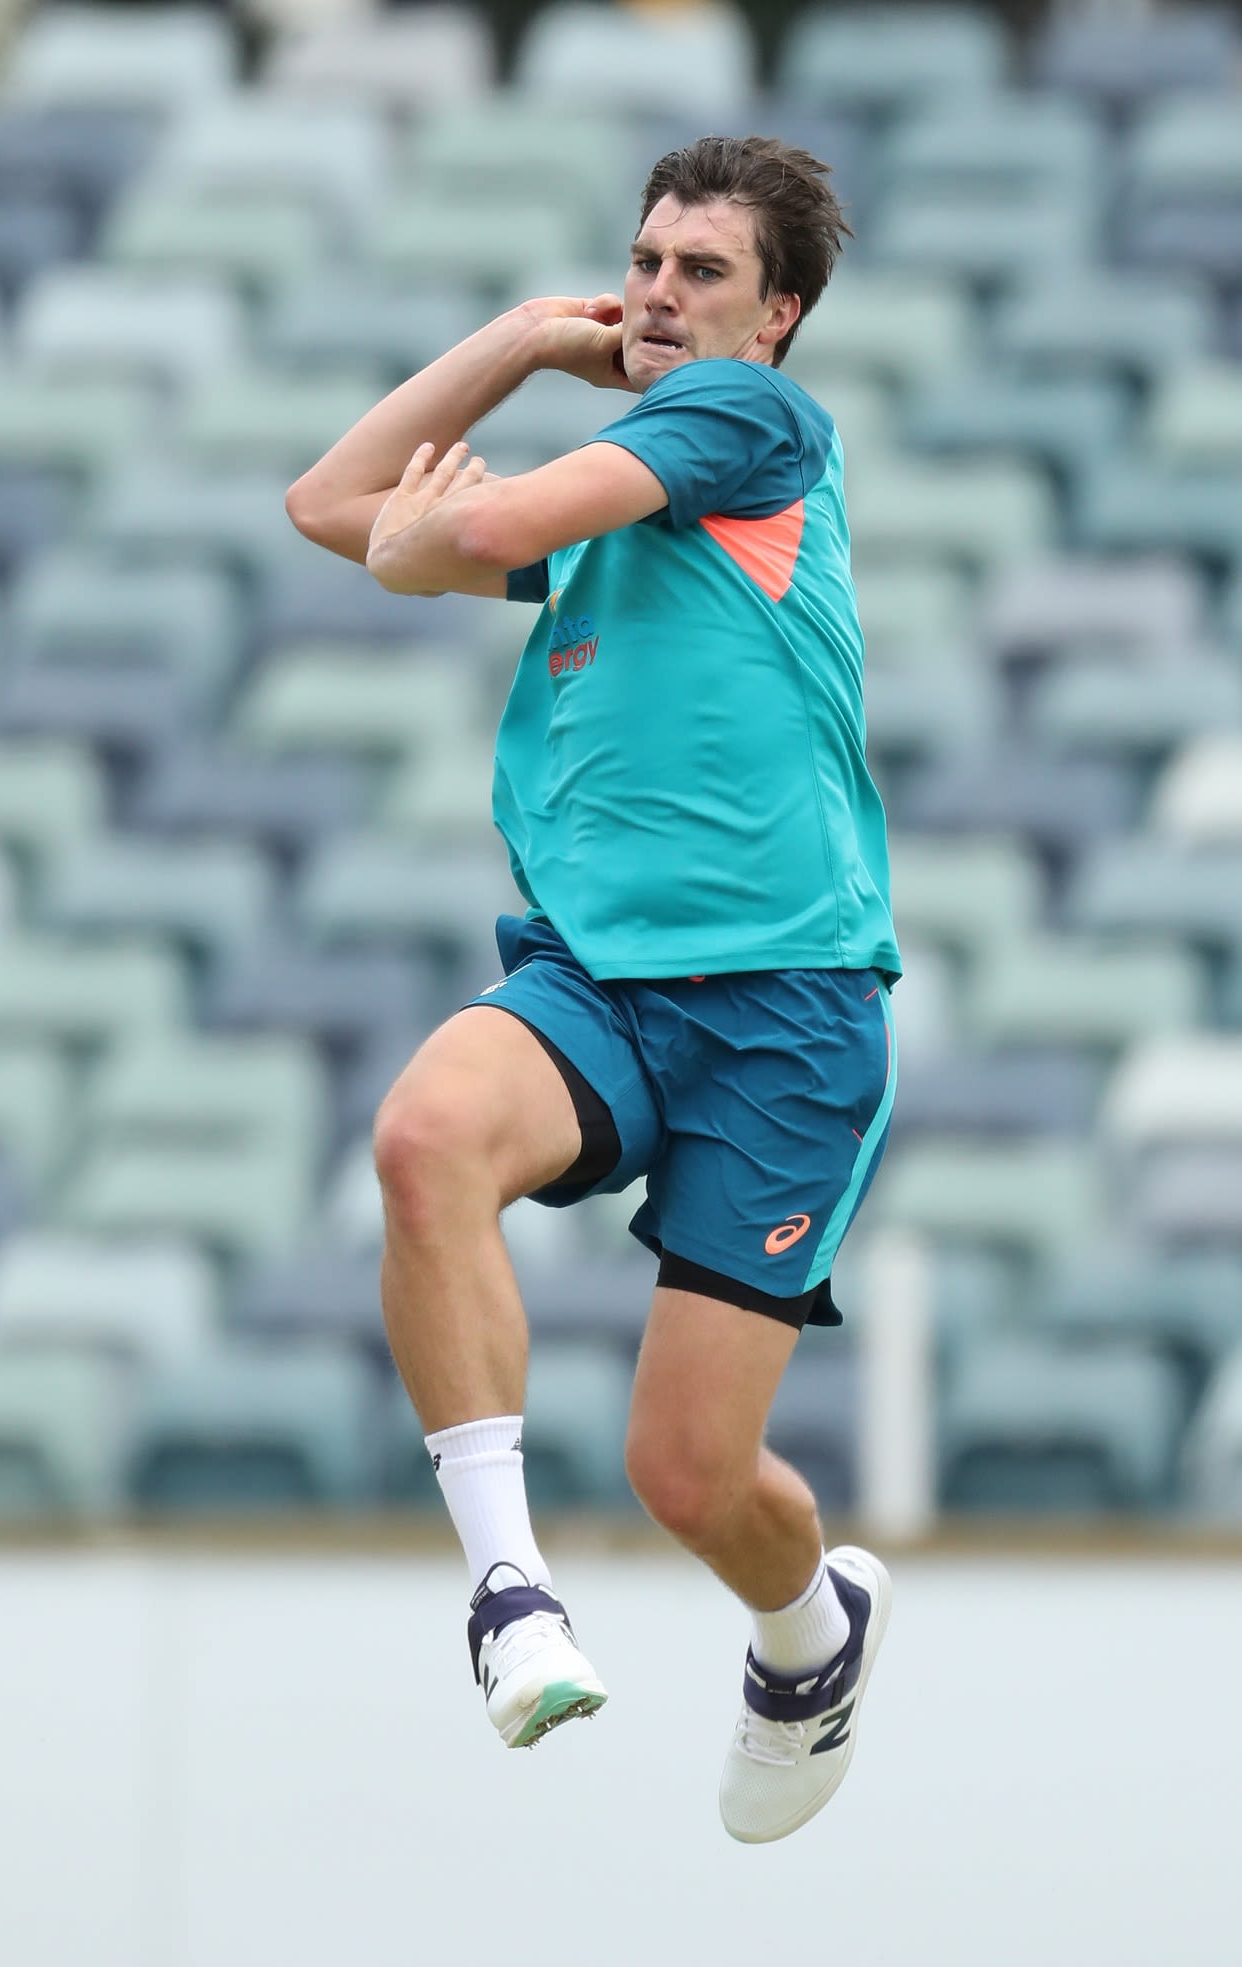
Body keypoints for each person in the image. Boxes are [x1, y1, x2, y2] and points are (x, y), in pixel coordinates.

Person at [286, 135, 901, 1845]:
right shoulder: (618, 514)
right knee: (423, 1138)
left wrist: (442, 535)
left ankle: (810, 1631)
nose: (656, 294)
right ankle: (508, 1599)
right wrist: (511, 336)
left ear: (778, 315)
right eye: (641, 262)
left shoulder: (754, 426)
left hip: (787, 1014)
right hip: (601, 986)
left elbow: (447, 525)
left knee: (691, 1478)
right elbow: (330, 512)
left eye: (703, 274)